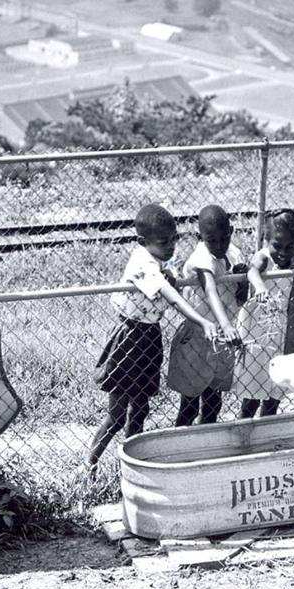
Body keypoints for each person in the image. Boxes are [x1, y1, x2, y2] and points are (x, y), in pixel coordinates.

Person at [85, 203, 220, 473]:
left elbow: (165, 282)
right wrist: (202, 320)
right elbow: (170, 296)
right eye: (163, 242)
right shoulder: (143, 262)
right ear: (142, 241)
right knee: (117, 412)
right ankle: (90, 462)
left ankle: (131, 462)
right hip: (130, 339)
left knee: (141, 407)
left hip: (149, 336)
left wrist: (168, 274)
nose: (171, 246)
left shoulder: (156, 261)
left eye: (174, 239)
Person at [236, 209, 294, 418]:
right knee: (254, 392)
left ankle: (268, 428)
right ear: (266, 240)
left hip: (281, 331)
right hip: (259, 333)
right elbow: (252, 271)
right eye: (277, 246)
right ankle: (243, 431)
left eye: (289, 246)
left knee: (277, 389)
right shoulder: (264, 258)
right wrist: (261, 288)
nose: (283, 252)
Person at [168, 204, 244, 427]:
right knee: (190, 404)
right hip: (199, 337)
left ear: (230, 232)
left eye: (224, 238)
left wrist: (243, 281)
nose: (219, 245)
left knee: (213, 400)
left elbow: (240, 297)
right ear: (200, 236)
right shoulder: (201, 258)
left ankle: (204, 444)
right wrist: (227, 326)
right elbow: (210, 290)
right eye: (212, 240)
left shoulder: (234, 253)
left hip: (221, 338)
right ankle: (179, 447)